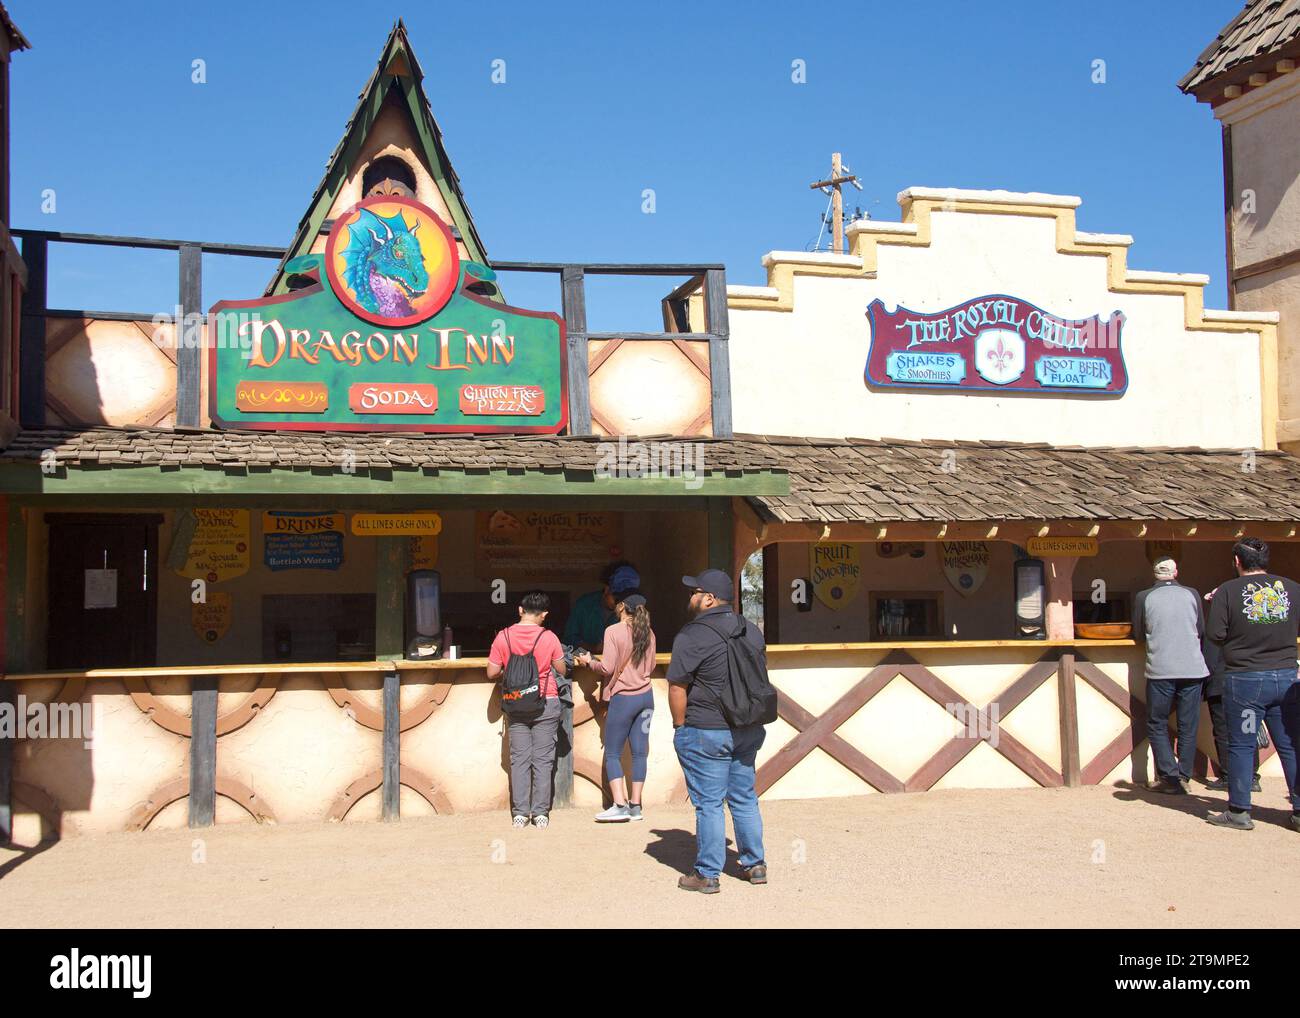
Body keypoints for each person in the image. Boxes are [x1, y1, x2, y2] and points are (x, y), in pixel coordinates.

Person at [667, 568, 767, 894]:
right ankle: (755, 865)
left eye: (695, 592)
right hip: (747, 727)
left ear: (708, 598)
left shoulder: (691, 635)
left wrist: (680, 726)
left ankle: (707, 874)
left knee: (709, 803)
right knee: (744, 798)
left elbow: (677, 687)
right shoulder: (751, 630)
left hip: (706, 729)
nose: (690, 597)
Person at [1204, 537, 1300, 831]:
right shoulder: (1293, 588)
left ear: (1236, 561)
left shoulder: (1228, 591)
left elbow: (1215, 635)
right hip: (1285, 677)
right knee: (1291, 746)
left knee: (1243, 745)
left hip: (1245, 681)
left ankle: (1240, 811)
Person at [487, 590, 567, 830]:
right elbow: (561, 669)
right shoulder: (549, 637)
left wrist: (510, 674)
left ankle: (520, 814)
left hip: (515, 701)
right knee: (543, 759)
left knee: (519, 759)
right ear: (544, 614)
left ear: (520, 610)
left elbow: (491, 672)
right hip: (546, 699)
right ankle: (541, 813)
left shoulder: (503, 637)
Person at [575, 587, 657, 823]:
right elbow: (650, 668)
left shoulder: (613, 631)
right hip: (646, 698)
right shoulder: (649, 633)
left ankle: (619, 804)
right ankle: (636, 806)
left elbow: (607, 668)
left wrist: (589, 661)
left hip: (623, 699)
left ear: (621, 607)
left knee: (613, 752)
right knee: (640, 753)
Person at [1131, 557, 1208, 794]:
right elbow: (1202, 630)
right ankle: (1184, 775)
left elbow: (1138, 633)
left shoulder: (1144, 597)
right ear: (1176, 572)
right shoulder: (1193, 594)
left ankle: (1169, 777)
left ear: (1155, 574)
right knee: (1188, 724)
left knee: (1156, 723)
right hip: (1193, 668)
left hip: (1161, 669)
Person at [1201, 588, 1261, 793]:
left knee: (1224, 731)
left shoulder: (1214, 628)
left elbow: (1209, 658)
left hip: (1221, 684)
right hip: (1248, 684)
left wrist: (1205, 684)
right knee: (1248, 730)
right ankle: (1252, 777)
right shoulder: (1249, 624)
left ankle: (1229, 776)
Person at [564, 560, 636, 653]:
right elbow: (568, 640)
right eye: (616, 598)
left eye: (624, 599)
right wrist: (593, 648)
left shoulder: (632, 610)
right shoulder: (584, 604)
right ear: (607, 590)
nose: (620, 604)